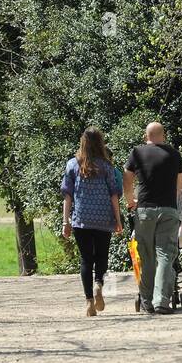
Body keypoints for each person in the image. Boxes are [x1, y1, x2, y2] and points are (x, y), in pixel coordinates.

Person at [60, 127, 124, 317]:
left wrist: (66, 222)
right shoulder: (107, 166)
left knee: (86, 259)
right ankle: (98, 285)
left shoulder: (72, 165)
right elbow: (114, 195)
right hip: (103, 218)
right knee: (102, 256)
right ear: (100, 143)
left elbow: (67, 196)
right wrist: (118, 220)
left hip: (82, 219)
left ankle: (89, 302)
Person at [124, 121, 182, 315]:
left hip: (144, 211)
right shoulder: (174, 154)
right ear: (163, 136)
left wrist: (130, 200)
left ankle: (146, 301)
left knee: (147, 256)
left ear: (145, 136)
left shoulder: (137, 153)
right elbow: (180, 187)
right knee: (166, 256)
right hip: (168, 209)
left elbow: (127, 178)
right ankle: (161, 301)